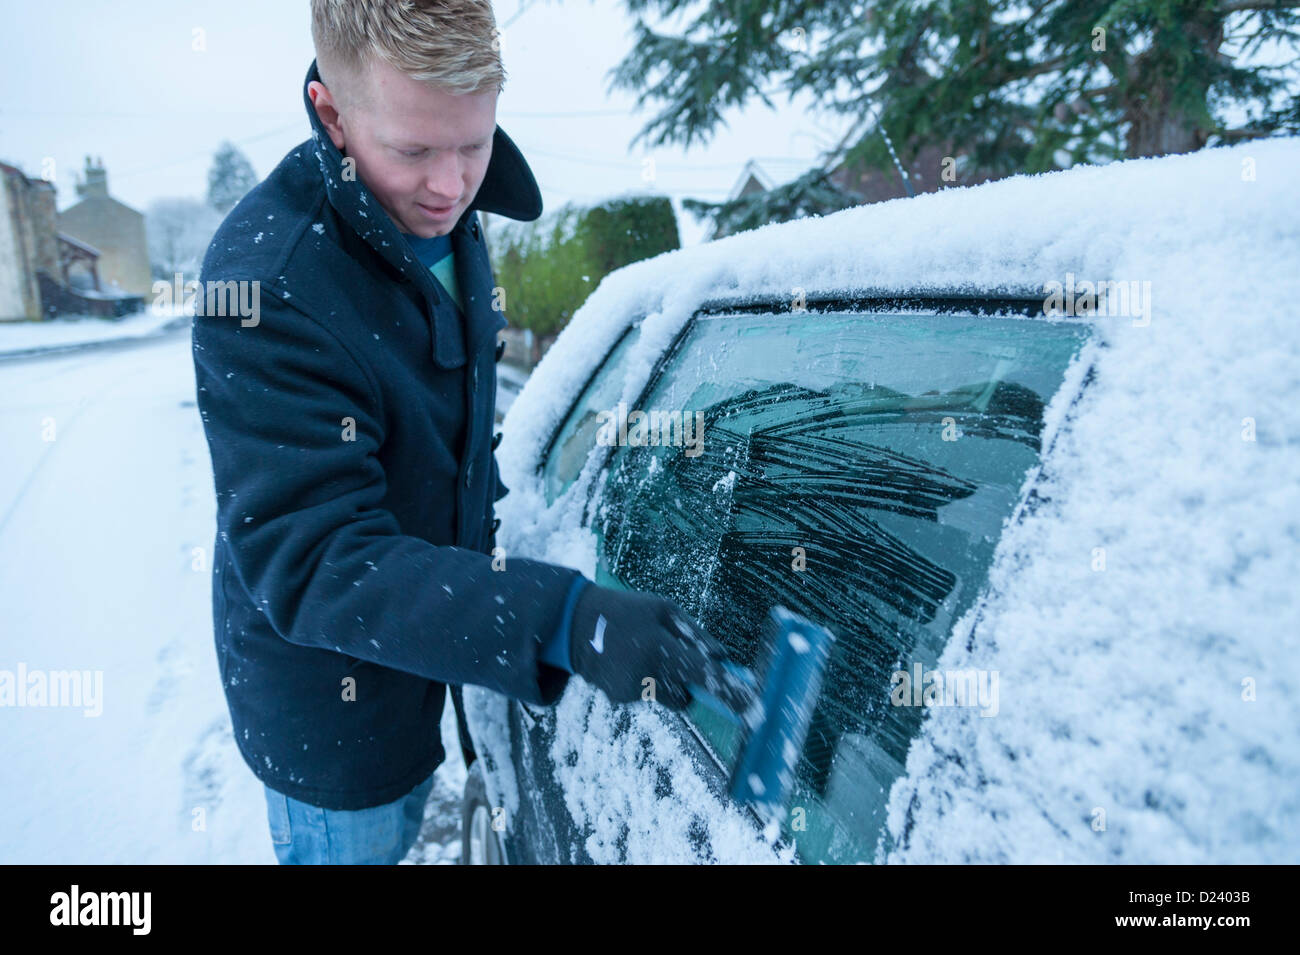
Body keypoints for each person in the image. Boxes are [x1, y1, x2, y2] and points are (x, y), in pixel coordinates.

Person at [191, 0, 748, 865]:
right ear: (332, 113)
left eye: (474, 144)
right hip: (332, 718)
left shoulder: (438, 210)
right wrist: (565, 619)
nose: (452, 187)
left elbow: (450, 438)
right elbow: (314, 560)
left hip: (436, 641)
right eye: (413, 150)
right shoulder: (270, 287)